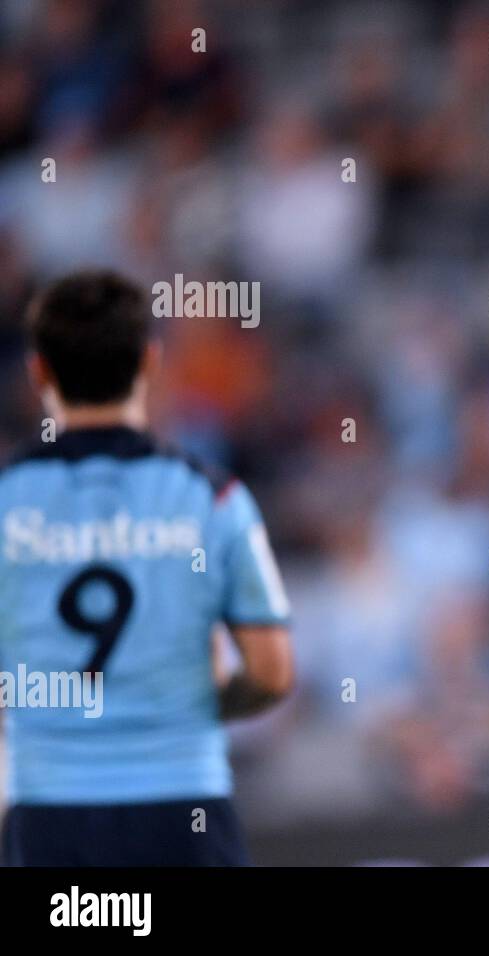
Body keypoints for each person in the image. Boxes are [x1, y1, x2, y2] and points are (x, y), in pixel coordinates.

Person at [0, 270, 294, 866]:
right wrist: (201, 698)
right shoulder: (215, 499)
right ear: (151, 362)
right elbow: (271, 674)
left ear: (39, 374)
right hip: (182, 808)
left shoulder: (7, 500)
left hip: (48, 814)